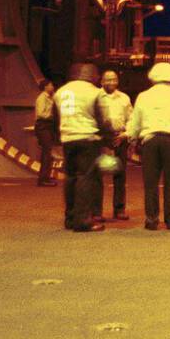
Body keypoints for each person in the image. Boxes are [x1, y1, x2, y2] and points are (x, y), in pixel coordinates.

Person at [127, 62, 170, 230]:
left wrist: (133, 140)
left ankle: (151, 220)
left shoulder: (143, 96)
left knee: (151, 183)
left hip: (150, 142)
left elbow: (135, 122)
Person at [54, 62, 112, 232]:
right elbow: (103, 119)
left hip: (67, 138)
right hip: (88, 138)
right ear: (91, 75)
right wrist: (108, 139)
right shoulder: (95, 93)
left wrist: (59, 140)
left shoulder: (60, 92)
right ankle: (83, 220)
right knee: (85, 178)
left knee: (70, 177)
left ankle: (70, 218)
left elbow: (55, 118)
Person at [96, 69, 133, 220]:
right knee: (98, 176)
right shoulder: (96, 97)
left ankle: (119, 209)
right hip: (101, 139)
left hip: (120, 139)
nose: (111, 82)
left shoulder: (124, 98)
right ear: (101, 81)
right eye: (108, 79)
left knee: (120, 176)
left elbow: (132, 118)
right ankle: (96, 211)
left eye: (114, 79)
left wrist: (126, 135)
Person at [33, 79, 57, 187]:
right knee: (46, 152)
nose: (53, 86)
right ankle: (43, 179)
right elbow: (41, 114)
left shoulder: (50, 98)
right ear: (45, 87)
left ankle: (46, 176)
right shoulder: (42, 98)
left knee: (47, 152)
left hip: (48, 126)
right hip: (43, 125)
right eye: (51, 84)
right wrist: (52, 115)